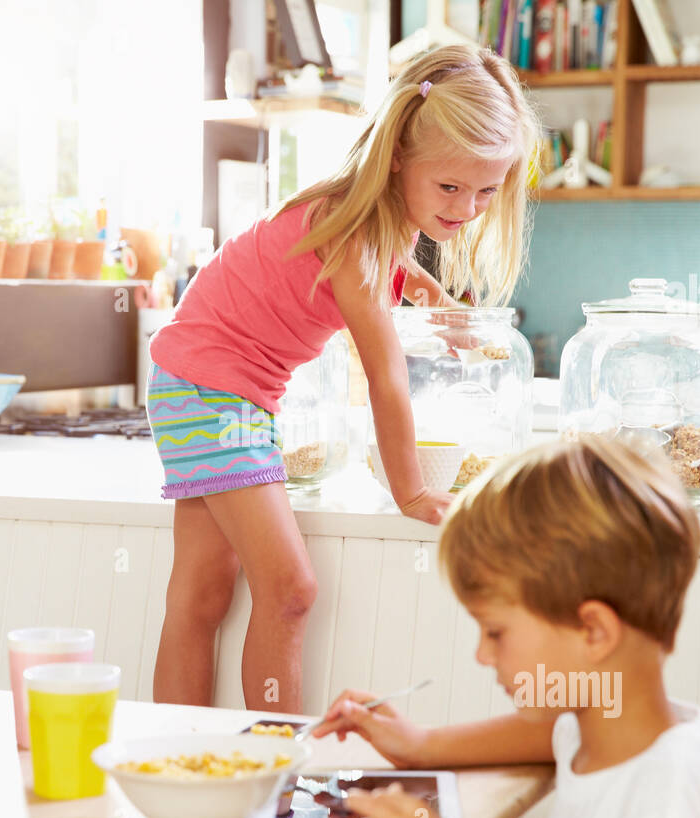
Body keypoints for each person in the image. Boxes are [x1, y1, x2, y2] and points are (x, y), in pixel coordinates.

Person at [146, 45, 541, 712]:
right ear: (397, 157)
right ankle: (279, 769)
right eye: (449, 187)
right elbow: (387, 375)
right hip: (212, 395)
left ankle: (184, 757)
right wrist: (412, 491)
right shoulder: (356, 240)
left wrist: (430, 298)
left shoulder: (368, 219)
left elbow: (389, 268)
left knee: (202, 594)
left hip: (199, 384)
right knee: (291, 591)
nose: (468, 207)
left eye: (487, 189)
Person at [315, 437, 700, 818]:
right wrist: (421, 746)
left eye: (496, 632)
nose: (483, 656)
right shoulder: (609, 726)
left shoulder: (665, 804)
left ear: (594, 632)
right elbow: (550, 735)